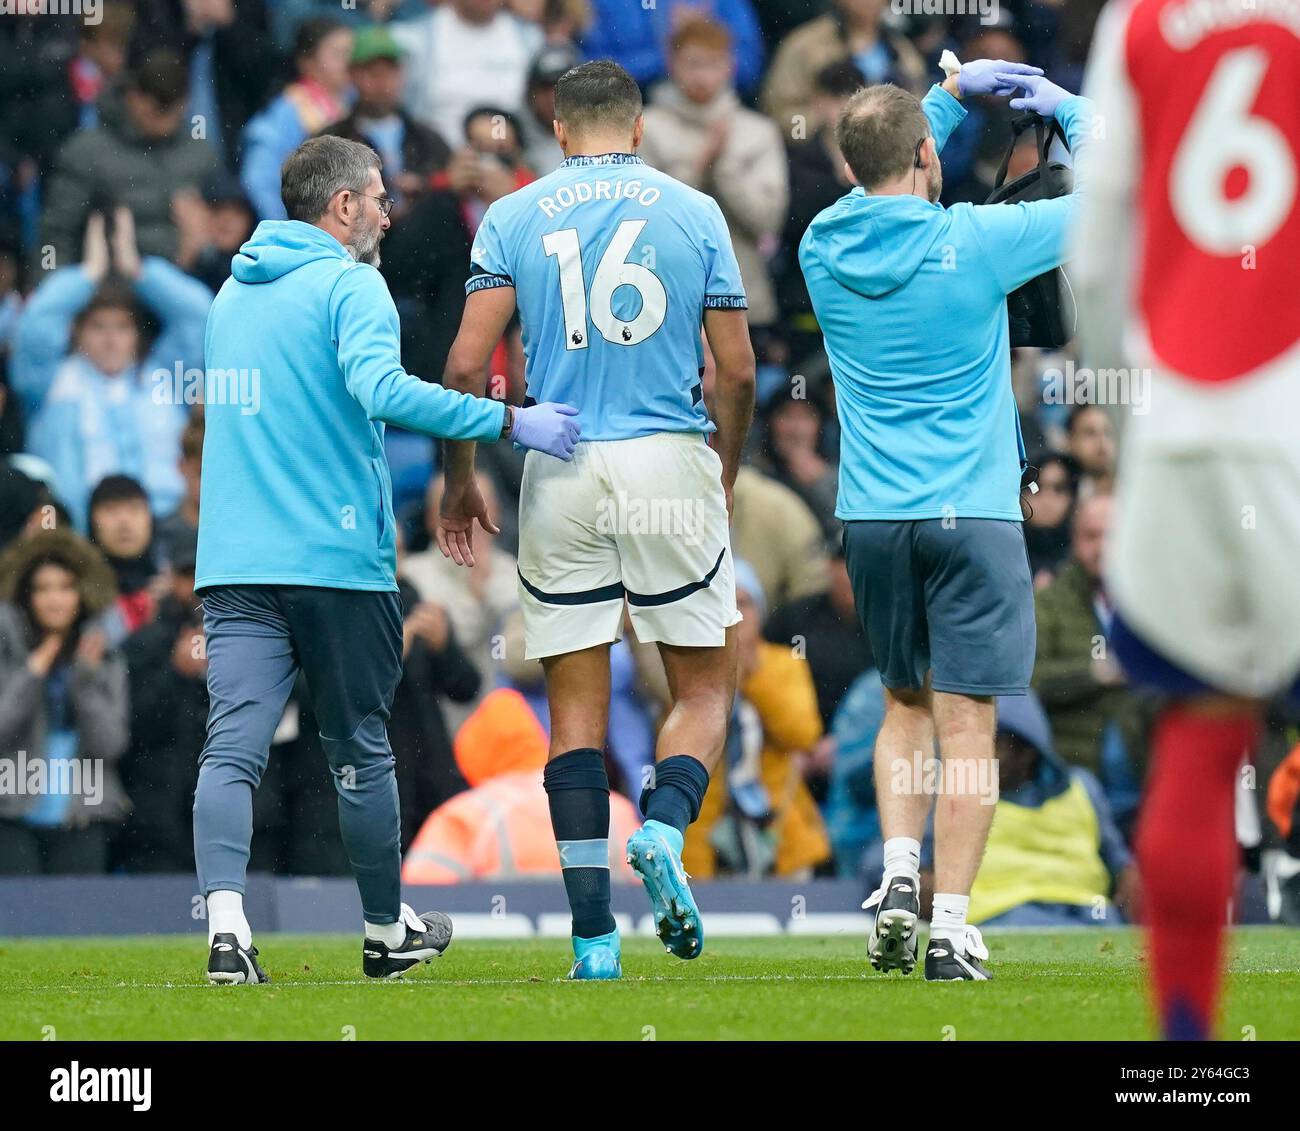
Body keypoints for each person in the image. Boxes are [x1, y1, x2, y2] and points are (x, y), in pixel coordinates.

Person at [192, 133, 581, 985]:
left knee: (231, 751)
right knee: (359, 748)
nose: (386, 211)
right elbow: (381, 390)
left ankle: (225, 928)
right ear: (341, 208)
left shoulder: (231, 293)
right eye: (376, 196)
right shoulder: (351, 283)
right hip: (333, 560)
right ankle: (382, 930)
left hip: (233, 559)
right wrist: (510, 422)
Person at [436, 60, 756, 980]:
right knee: (702, 689)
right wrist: (720, 468)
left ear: (560, 129)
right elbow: (733, 369)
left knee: (572, 708)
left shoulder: (512, 214)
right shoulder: (694, 211)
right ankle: (660, 827)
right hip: (667, 456)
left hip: (561, 459)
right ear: (641, 127)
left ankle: (593, 943)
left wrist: (462, 475)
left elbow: (464, 366)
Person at [798, 57, 1090, 981]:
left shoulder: (818, 247)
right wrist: (1067, 108)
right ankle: (953, 923)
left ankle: (894, 873)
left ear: (847, 165)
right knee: (969, 724)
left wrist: (942, 101)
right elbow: (1118, 195)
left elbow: (881, 158)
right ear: (930, 154)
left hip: (875, 518)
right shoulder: (980, 240)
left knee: (902, 703)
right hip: (973, 513)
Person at [1072, 0, 1300, 1040]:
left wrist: (1135, 422)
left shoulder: (1142, 18)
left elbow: (1092, 260)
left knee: (1200, 743)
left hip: (1180, 423)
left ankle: (1184, 1055)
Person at [11, 210, 210, 531]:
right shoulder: (49, 381)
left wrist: (139, 270)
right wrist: (87, 275)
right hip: (79, 535)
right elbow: (35, 327)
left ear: (137, 336)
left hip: (165, 533)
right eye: (98, 327)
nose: (110, 340)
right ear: (77, 333)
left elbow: (200, 317)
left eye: (121, 327)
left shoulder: (166, 377)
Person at [637, 16, 788, 329]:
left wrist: (724, 170)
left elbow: (766, 221)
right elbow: (645, 219)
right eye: (692, 63)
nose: (702, 75)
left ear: (729, 66)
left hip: (744, 298)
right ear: (672, 63)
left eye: (712, 63)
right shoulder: (646, 128)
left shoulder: (758, 131)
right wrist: (701, 163)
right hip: (664, 299)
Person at [0, 529, 129, 874]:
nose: (55, 599)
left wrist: (84, 683)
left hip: (83, 813)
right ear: (26, 597)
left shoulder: (105, 656)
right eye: (43, 589)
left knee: (80, 923)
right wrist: (32, 673)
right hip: (11, 812)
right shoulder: (7, 652)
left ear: (82, 594)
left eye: (66, 587)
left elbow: (111, 745)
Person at [1033, 493, 1148, 832]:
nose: (1102, 547)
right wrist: (1097, 673)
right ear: (1074, 540)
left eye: (1112, 535)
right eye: (1091, 536)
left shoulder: (1152, 603)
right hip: (1073, 777)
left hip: (1144, 771)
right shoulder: (1049, 603)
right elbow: (1028, 681)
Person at [41, 49, 218, 265]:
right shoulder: (86, 152)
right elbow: (58, 232)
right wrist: (53, 288)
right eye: (154, 112)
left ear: (185, 104)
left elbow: (228, 230)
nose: (163, 125)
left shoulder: (201, 154)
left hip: (190, 281)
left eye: (172, 114)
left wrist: (202, 241)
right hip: (108, 286)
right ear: (133, 96)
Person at [239, 18, 354, 221]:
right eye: (338, 54)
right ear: (306, 62)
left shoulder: (357, 101)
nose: (348, 62)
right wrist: (285, 230)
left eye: (351, 53)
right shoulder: (287, 110)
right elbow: (260, 179)